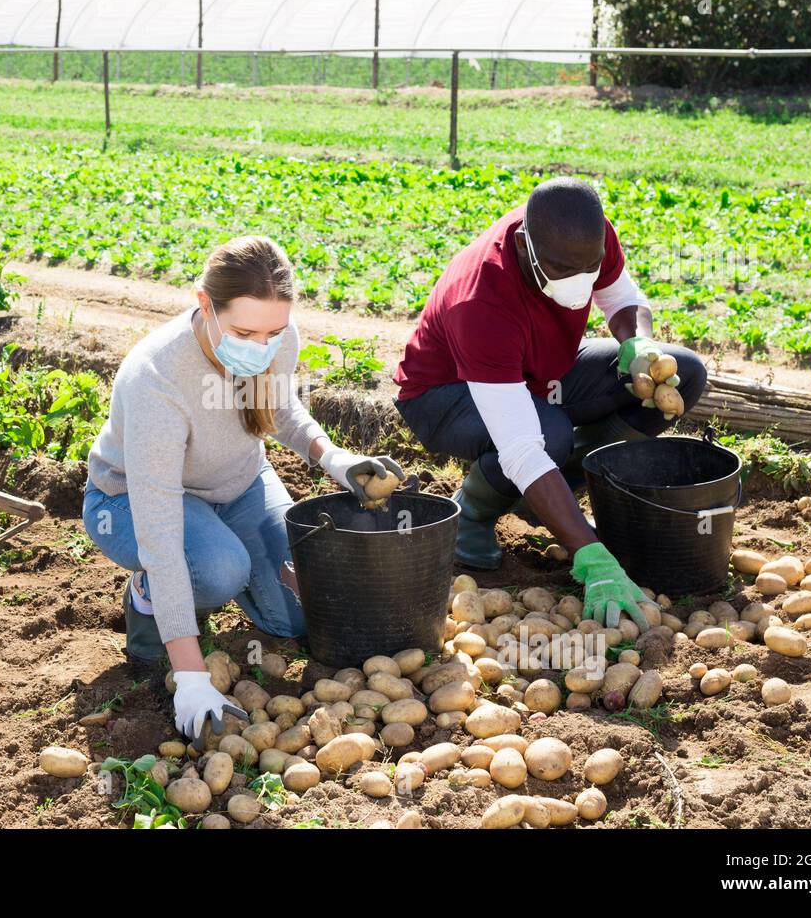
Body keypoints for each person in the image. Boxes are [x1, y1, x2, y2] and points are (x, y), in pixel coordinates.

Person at [83, 235, 403, 742]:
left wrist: (336, 460)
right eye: (245, 332)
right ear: (204, 304)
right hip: (130, 503)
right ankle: (149, 599)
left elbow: (280, 408)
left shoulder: (276, 333)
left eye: (273, 332)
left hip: (240, 484)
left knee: (300, 613)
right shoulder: (157, 380)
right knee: (216, 570)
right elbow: (161, 531)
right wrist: (190, 677)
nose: (262, 346)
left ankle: (221, 570)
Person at [393, 177, 707, 628]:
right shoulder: (481, 300)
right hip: (444, 394)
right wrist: (592, 557)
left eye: (589, 268)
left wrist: (636, 342)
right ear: (524, 246)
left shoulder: (585, 235)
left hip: (540, 374)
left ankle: (544, 496)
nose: (579, 283)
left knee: (686, 370)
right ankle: (471, 517)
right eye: (563, 271)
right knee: (544, 437)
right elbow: (521, 447)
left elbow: (621, 297)